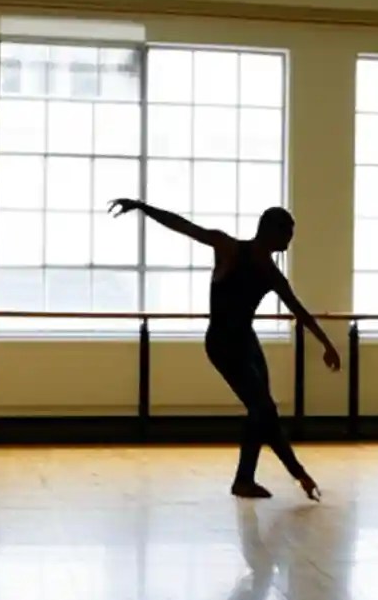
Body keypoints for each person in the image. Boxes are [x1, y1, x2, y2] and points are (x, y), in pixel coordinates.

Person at [107, 200, 339, 501]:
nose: (290, 240)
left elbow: (299, 311)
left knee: (263, 409)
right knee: (262, 409)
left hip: (246, 342)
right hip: (222, 344)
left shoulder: (271, 273)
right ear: (271, 231)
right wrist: (141, 207)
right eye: (288, 234)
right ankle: (273, 477)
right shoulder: (228, 248)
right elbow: (182, 226)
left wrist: (326, 344)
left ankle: (270, 477)